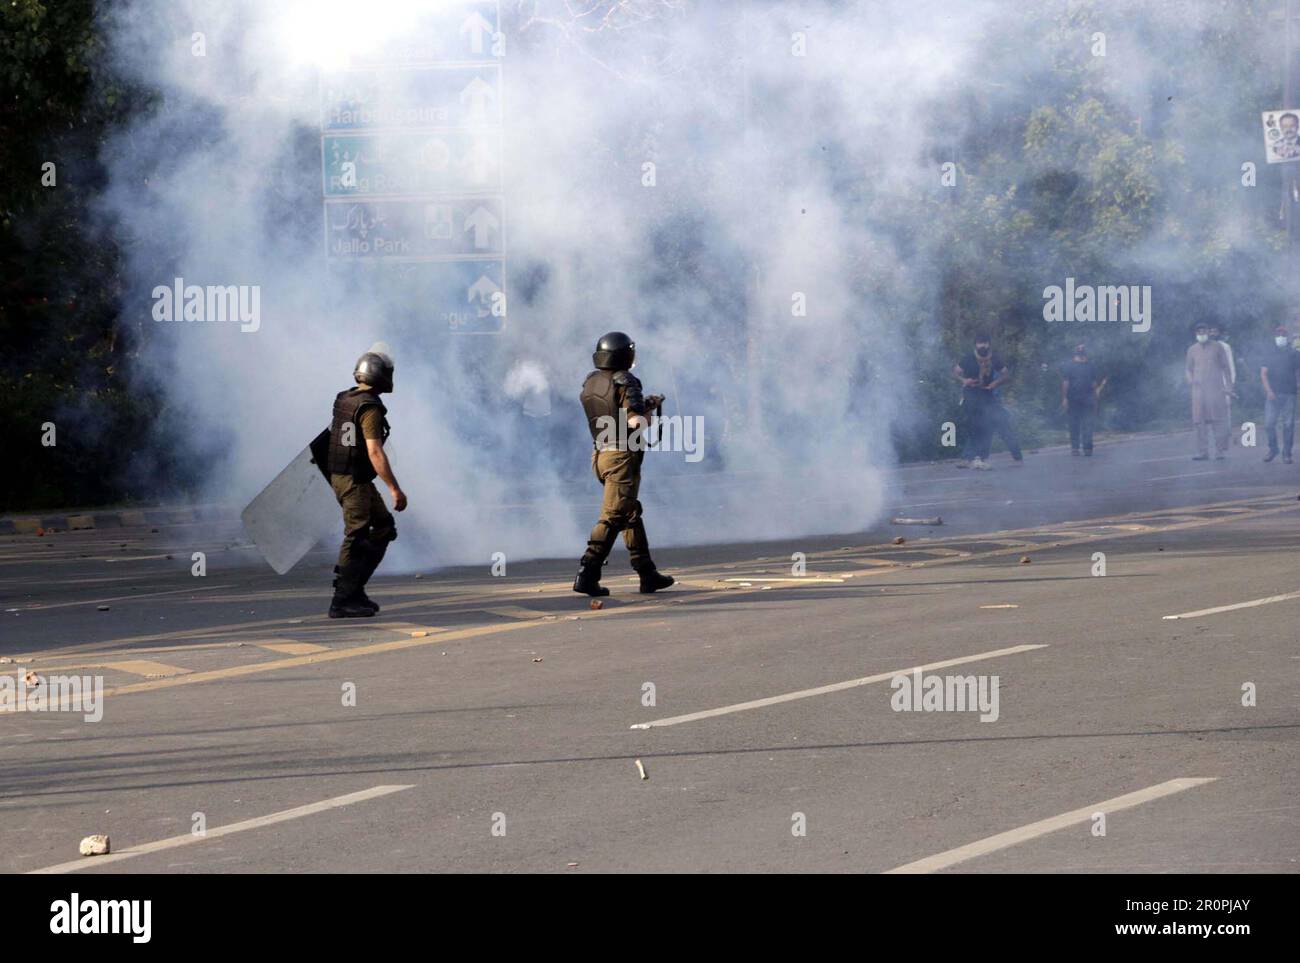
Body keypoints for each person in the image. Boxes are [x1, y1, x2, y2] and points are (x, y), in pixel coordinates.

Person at [573, 332, 674, 597]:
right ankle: (588, 572)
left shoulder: (591, 381)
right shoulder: (626, 380)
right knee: (614, 516)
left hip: (600, 455)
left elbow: (611, 412)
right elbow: (634, 423)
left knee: (629, 512)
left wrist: (646, 405)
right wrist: (647, 412)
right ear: (624, 355)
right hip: (621, 457)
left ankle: (647, 573)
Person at [324, 346, 406, 618]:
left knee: (383, 526)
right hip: (354, 480)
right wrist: (394, 488)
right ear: (381, 376)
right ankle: (343, 599)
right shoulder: (369, 407)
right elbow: (374, 451)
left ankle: (355, 589)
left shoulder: (345, 398)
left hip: (346, 476)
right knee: (356, 535)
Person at [952, 333, 1022, 470]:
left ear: (989, 344)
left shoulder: (994, 358)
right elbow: (955, 372)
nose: (982, 346)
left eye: (985, 343)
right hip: (971, 395)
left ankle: (984, 457)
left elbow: (1006, 374)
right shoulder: (968, 358)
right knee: (974, 426)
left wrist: (995, 383)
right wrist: (964, 381)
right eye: (980, 343)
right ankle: (971, 458)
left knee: (998, 422)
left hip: (987, 395)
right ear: (975, 344)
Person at [1186, 323, 1232, 460]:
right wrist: (1190, 380)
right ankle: (1203, 452)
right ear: (1196, 333)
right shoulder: (1192, 349)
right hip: (1198, 393)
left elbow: (1226, 367)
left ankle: (1220, 451)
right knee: (1199, 423)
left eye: (1204, 330)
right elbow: (1188, 369)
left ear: (1208, 332)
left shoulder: (1217, 347)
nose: (1202, 333)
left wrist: (1229, 386)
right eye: (1199, 331)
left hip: (1216, 390)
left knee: (1218, 421)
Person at [1260, 324, 1299, 464]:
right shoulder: (1269, 353)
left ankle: (1287, 453)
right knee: (1269, 424)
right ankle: (1273, 449)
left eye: (1283, 335)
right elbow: (1263, 374)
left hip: (1290, 394)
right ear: (1274, 336)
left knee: (1288, 425)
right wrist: (1269, 391)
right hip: (1273, 394)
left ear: (1286, 337)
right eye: (1278, 335)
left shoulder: (1293, 353)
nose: (1280, 337)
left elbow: (1298, 372)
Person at [1060, 342, 1103, 456]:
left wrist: (1095, 397)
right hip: (1074, 398)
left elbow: (1094, 383)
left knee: (1086, 423)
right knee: (1075, 424)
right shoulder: (1069, 366)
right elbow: (1065, 382)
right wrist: (1065, 398)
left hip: (1087, 399)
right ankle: (1075, 448)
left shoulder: (1090, 365)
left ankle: (1087, 448)